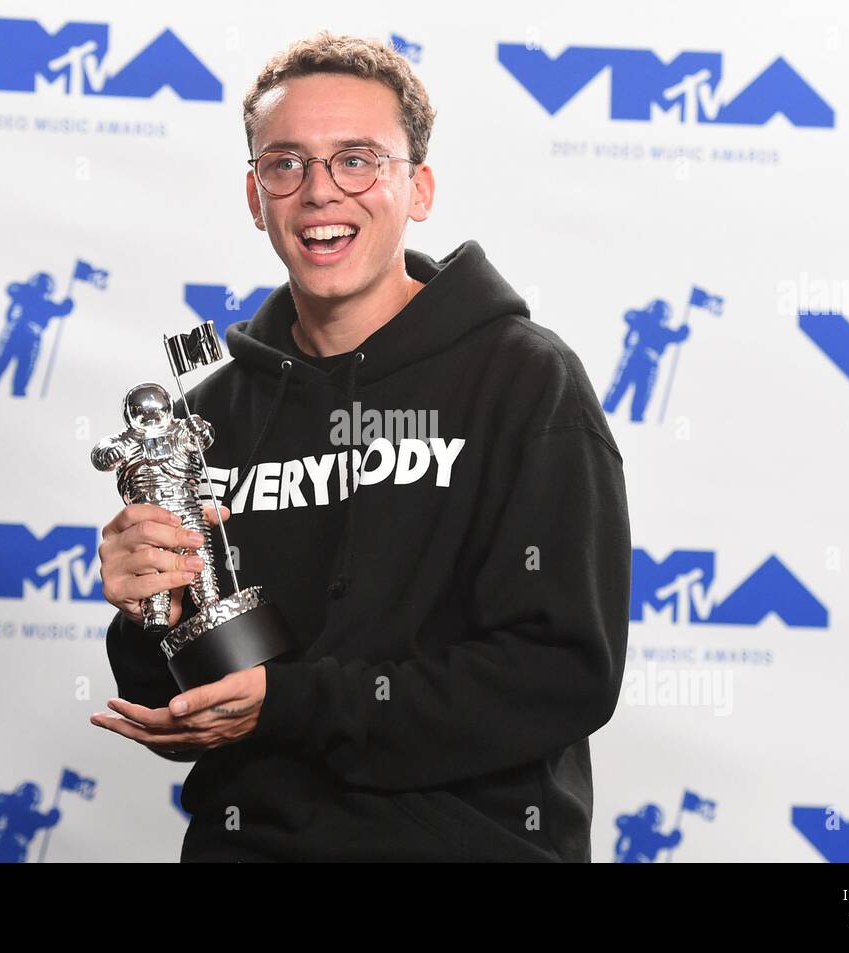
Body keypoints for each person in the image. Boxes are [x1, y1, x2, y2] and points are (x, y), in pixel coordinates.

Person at [90, 31, 631, 862]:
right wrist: (143, 611)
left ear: (417, 187)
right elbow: (186, 687)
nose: (318, 193)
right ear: (254, 193)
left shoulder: (525, 382)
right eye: (287, 164)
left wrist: (294, 704)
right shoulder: (213, 417)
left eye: (356, 160)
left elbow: (561, 671)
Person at [0, 271, 73, 397]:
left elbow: (61, 310)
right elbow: (11, 288)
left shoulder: (45, 304)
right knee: (2, 363)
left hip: (30, 337)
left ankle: (15, 393)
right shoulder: (23, 295)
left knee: (23, 370)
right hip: (15, 332)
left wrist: (68, 304)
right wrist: (67, 305)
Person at [602, 298, 687, 422]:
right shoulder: (641, 322)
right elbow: (628, 316)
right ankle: (606, 414)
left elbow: (678, 336)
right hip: (633, 360)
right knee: (619, 391)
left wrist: (684, 331)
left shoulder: (662, 331)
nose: (658, 318)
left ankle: (633, 421)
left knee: (640, 398)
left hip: (647, 366)